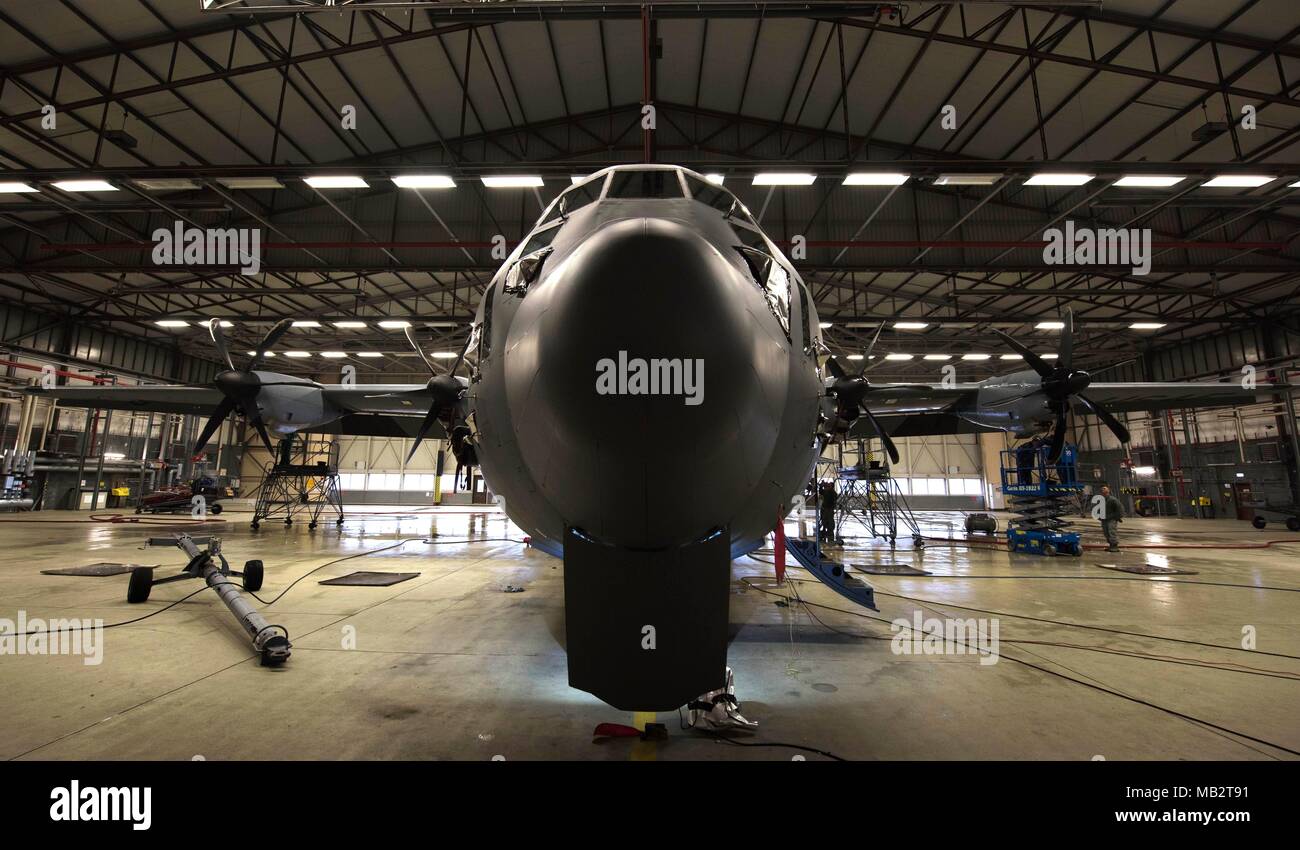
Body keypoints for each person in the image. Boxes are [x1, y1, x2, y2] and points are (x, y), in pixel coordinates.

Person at [1099, 485, 1124, 553]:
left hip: (1111, 519)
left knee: (1111, 532)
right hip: (1104, 519)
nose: (1103, 492)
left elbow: (1120, 509)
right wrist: (1099, 517)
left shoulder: (1113, 500)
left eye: (1105, 490)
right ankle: (1111, 545)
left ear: (1108, 492)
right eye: (1102, 491)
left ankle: (1114, 546)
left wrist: (1117, 517)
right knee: (1106, 533)